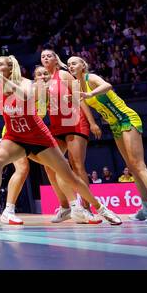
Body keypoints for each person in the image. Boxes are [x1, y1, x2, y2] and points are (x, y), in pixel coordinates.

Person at [0, 58, 106, 228]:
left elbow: (24, 96)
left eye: (0, 64)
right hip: (15, 136)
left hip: (37, 136)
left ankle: (87, 207)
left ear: (11, 68)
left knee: (64, 172)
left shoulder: (27, 84)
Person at [68, 56, 147, 224]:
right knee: (131, 167)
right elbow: (83, 104)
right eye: (68, 64)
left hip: (126, 118)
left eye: (74, 63)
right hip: (114, 124)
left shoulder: (90, 78)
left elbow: (108, 85)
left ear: (82, 65)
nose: (70, 66)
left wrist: (92, 93)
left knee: (139, 165)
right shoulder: (77, 86)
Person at [40, 50, 120, 225]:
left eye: (49, 55)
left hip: (75, 122)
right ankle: (66, 207)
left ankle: (86, 207)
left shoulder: (64, 74)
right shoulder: (45, 82)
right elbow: (42, 110)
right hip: (57, 126)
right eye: (42, 56)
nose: (45, 58)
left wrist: (92, 123)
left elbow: (81, 99)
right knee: (50, 166)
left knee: (76, 165)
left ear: (56, 59)